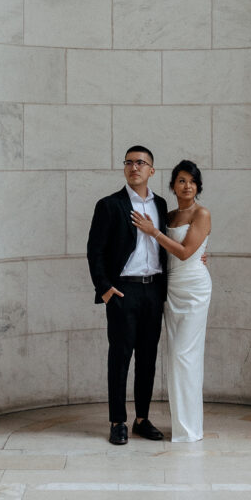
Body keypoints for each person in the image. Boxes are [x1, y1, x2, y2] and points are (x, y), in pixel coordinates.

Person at [86, 145, 169, 446]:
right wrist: (106, 289)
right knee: (120, 358)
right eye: (129, 162)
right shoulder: (110, 205)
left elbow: (170, 245)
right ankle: (117, 421)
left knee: (148, 358)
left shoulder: (160, 204)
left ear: (151, 170)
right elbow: (95, 251)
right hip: (124, 290)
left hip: (154, 289)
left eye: (141, 163)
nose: (134, 167)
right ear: (125, 168)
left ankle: (142, 419)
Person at [131, 160, 211, 444]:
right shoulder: (169, 214)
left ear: (198, 186)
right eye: (181, 180)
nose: (187, 185)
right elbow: (164, 252)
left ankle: (189, 430)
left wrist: (154, 232)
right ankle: (181, 425)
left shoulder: (201, 213)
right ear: (173, 185)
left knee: (184, 356)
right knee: (175, 356)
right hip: (171, 287)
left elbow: (186, 252)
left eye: (192, 181)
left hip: (193, 289)